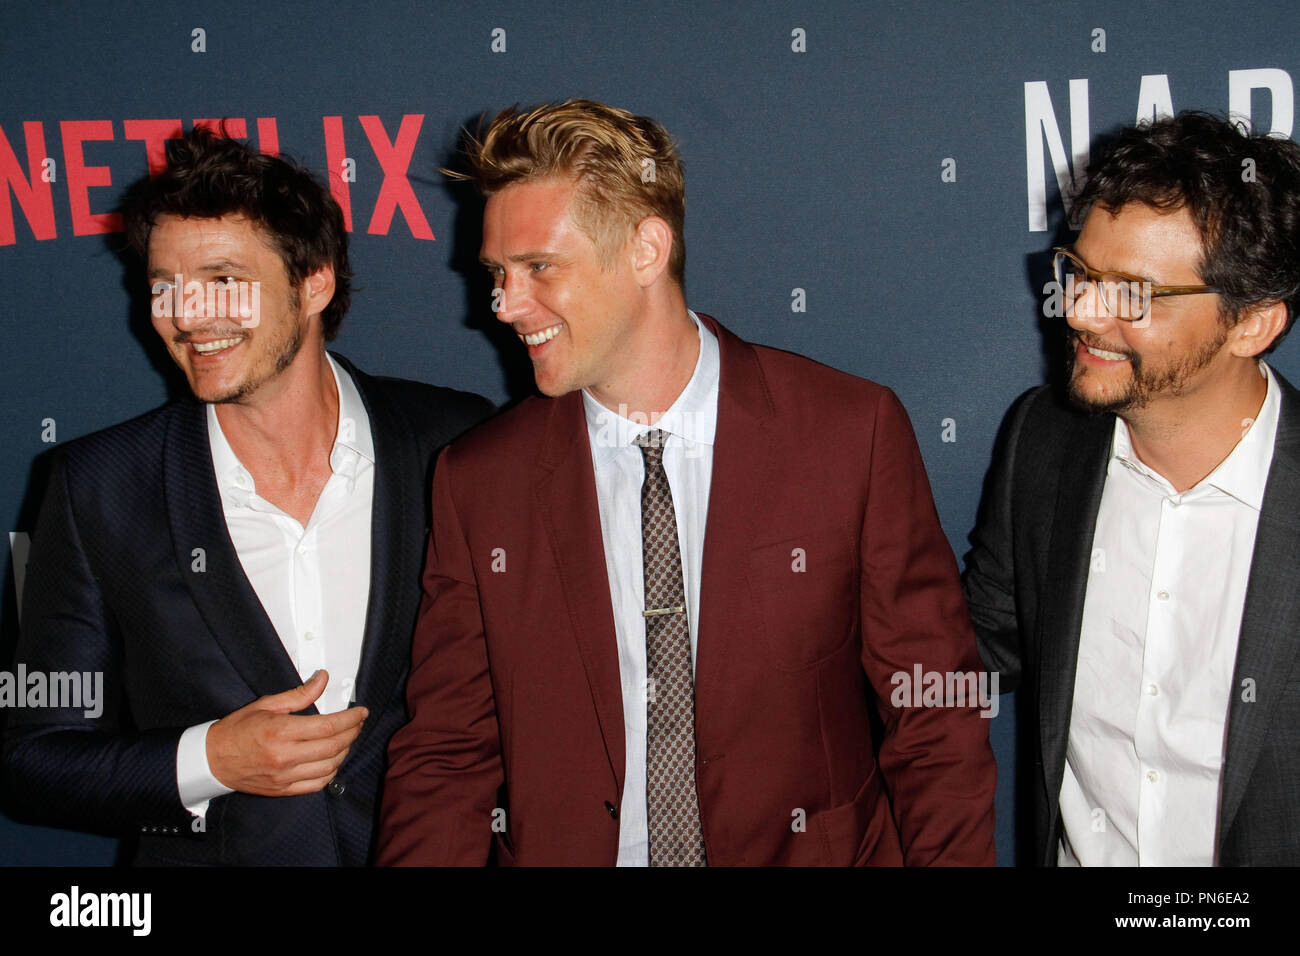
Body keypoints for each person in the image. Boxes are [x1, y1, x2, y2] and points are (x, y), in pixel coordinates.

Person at [378, 99, 995, 866]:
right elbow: (445, 753)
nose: (505, 305)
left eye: (540, 268)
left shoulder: (847, 433)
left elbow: (935, 711)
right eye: (498, 274)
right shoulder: (480, 483)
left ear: (645, 250)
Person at [2, 127, 493, 865]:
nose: (189, 314)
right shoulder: (96, 487)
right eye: (164, 286)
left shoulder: (455, 442)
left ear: (314, 282)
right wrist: (211, 759)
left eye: (225, 279)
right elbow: (30, 756)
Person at [964, 111, 1300, 866]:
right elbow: (980, 646)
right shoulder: (1044, 439)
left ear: (1252, 323)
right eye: (1079, 274)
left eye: (1132, 294)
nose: (1079, 312)